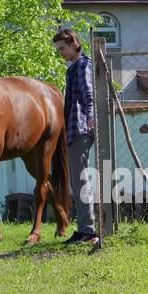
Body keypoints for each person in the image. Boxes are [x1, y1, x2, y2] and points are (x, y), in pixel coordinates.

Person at [52, 28, 98, 245]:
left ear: (72, 43)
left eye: (62, 48)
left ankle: (88, 230)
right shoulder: (74, 67)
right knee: (78, 181)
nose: (60, 52)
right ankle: (85, 228)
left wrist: (90, 117)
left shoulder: (81, 66)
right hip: (74, 129)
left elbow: (89, 94)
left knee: (80, 181)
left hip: (80, 128)